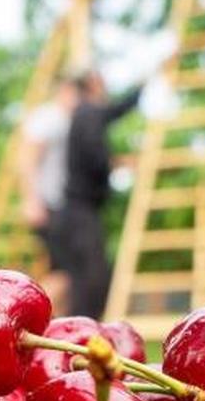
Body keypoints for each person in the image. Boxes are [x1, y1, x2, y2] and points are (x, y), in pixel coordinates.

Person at [58, 72, 143, 318]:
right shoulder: (88, 112)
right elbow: (96, 157)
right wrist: (120, 162)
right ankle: (82, 333)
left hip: (77, 213)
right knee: (92, 281)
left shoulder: (85, 113)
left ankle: (76, 330)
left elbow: (117, 110)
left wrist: (142, 84)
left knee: (84, 280)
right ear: (94, 85)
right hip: (80, 212)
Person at [18, 80, 79, 311]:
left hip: (58, 206)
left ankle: (50, 326)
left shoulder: (64, 120)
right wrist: (31, 200)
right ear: (65, 91)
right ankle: (27, 314)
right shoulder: (50, 118)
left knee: (64, 272)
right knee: (65, 272)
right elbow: (27, 156)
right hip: (47, 205)